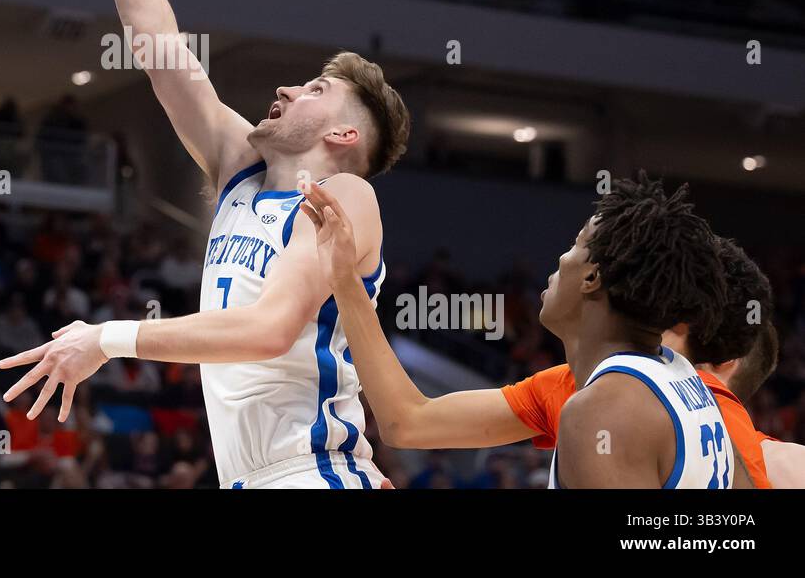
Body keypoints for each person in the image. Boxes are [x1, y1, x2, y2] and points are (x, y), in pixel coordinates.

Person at [0, 0, 411, 490]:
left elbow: (272, 329)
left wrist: (109, 339)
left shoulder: (349, 199)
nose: (286, 89)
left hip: (313, 473)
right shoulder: (239, 171)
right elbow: (158, 48)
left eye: (316, 90)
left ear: (343, 138)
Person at [306, 175, 749, 488]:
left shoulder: (602, 410)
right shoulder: (683, 381)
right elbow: (409, 421)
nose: (560, 259)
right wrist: (346, 279)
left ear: (593, 278)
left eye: (576, 245)